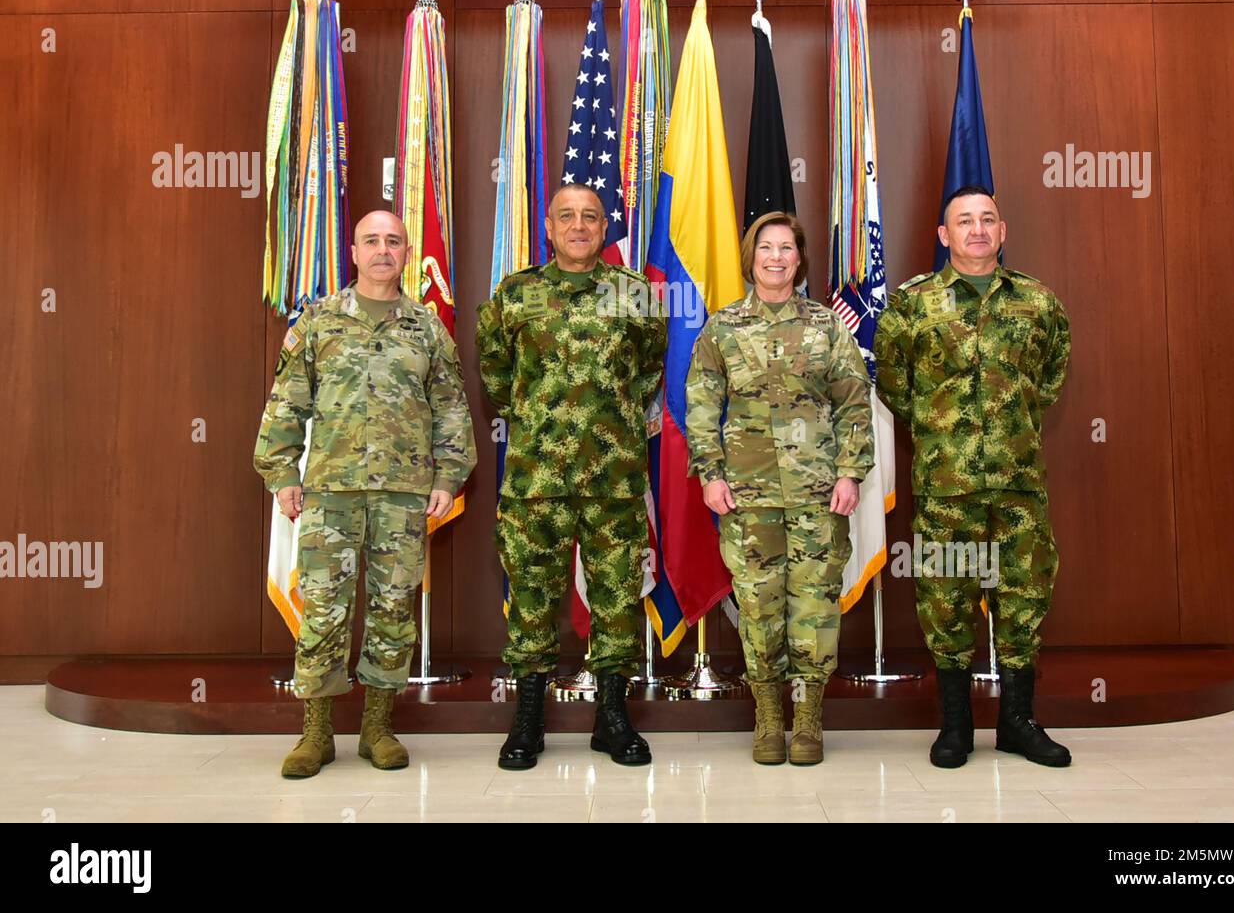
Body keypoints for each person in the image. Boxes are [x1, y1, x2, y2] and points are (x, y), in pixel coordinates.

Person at [254, 210, 476, 778]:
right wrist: (281, 474)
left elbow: (452, 409)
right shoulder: (320, 322)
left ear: (406, 254)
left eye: (393, 242)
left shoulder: (426, 328)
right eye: (371, 241)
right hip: (331, 491)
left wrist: (448, 478)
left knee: (393, 609)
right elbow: (286, 404)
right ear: (352, 252)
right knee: (324, 612)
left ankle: (378, 727)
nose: (383, 250)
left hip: (404, 496)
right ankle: (316, 732)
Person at [873, 186, 1072, 769]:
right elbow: (895, 384)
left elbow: (1052, 375)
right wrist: (944, 435)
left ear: (1003, 230)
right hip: (945, 485)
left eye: (987, 219)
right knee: (946, 601)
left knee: (1024, 598)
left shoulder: (1037, 302)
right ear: (945, 235)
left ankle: (1017, 722)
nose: (977, 230)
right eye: (965, 221)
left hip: (1018, 483)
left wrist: (1010, 424)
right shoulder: (912, 305)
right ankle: (955, 726)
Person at [475, 185, 666, 770]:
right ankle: (528, 721)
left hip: (615, 479)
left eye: (590, 216)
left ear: (605, 227)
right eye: (567, 217)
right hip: (537, 479)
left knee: (616, 602)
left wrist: (615, 425)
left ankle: (612, 719)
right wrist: (540, 424)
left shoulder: (637, 296)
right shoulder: (515, 294)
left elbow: (649, 370)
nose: (579, 226)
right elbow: (494, 372)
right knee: (532, 600)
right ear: (549, 229)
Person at [685, 212, 873, 766]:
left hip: (818, 492)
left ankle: (809, 720)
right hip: (747, 496)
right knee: (760, 606)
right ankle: (768, 719)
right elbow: (700, 405)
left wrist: (849, 472)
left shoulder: (825, 325)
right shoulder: (722, 328)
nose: (775, 257)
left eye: (786, 248)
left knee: (814, 608)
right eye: (766, 247)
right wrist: (711, 474)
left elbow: (853, 401)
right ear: (751, 257)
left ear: (799, 258)